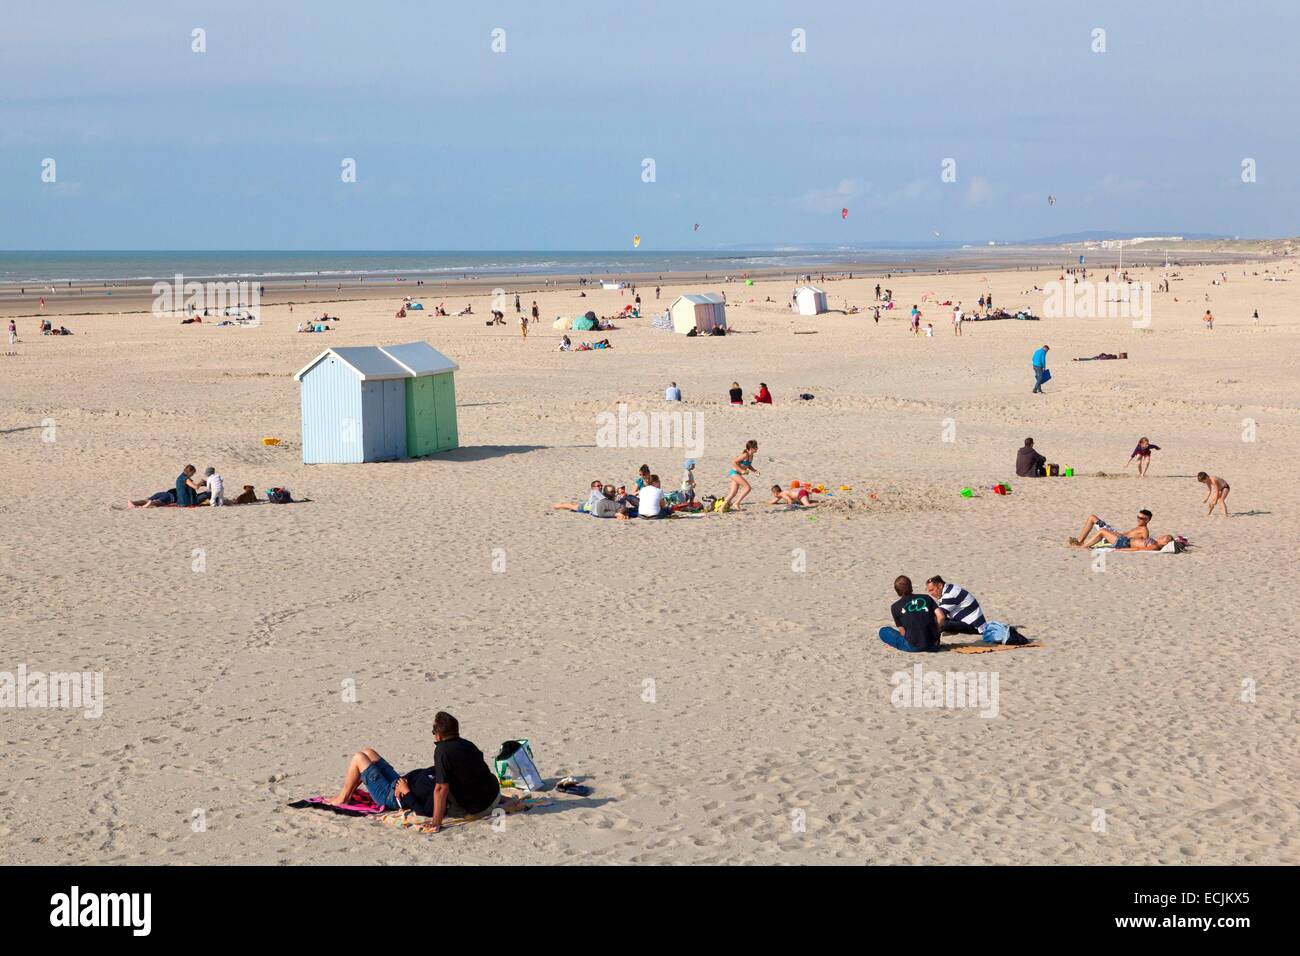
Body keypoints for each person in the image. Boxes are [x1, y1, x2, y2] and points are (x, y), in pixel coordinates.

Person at [924, 576, 1027, 645]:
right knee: (937, 619)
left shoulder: (950, 594)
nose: (931, 593)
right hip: (969, 621)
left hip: (973, 626)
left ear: (940, 585)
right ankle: (949, 631)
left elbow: (939, 615)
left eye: (932, 590)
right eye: (929, 591)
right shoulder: (949, 589)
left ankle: (932, 642)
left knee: (938, 621)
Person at [879, 576, 940, 652]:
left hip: (914, 646)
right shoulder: (926, 598)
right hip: (934, 645)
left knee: (884, 631)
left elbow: (903, 632)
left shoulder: (895, 607)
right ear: (911, 586)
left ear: (897, 591)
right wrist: (937, 632)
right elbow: (941, 616)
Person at [1069, 510, 1170, 550]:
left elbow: (1143, 543)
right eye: (1138, 517)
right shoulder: (1139, 527)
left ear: (1148, 520)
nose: (1139, 519)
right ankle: (1080, 541)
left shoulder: (1144, 530)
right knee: (1092, 517)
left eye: (1142, 518)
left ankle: (1082, 546)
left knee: (1102, 531)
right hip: (1115, 533)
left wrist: (1127, 548)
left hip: (1119, 539)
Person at [723, 440, 759, 510]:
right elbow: (733, 462)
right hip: (734, 473)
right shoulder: (745, 455)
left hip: (738, 474)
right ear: (751, 448)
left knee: (733, 493)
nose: (757, 448)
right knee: (747, 488)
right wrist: (741, 470)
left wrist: (754, 471)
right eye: (756, 447)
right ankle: (736, 503)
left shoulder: (751, 455)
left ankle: (721, 508)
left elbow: (748, 465)